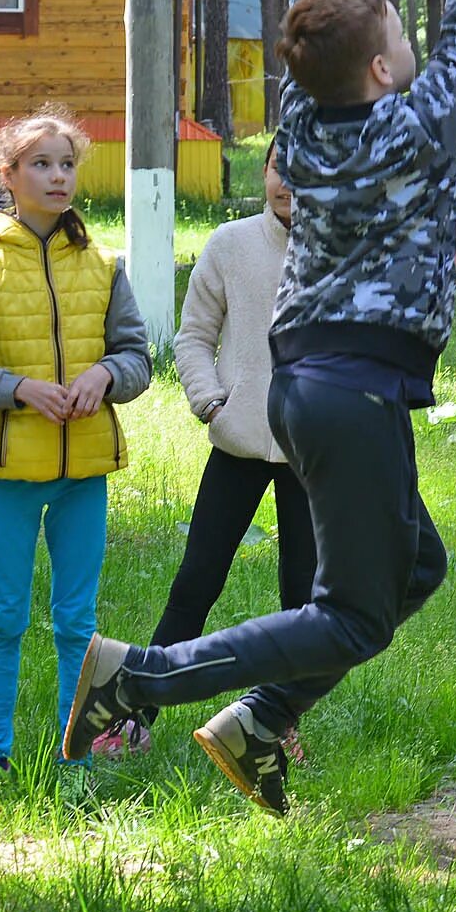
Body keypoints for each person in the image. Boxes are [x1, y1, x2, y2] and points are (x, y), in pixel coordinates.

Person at [60, 0, 456, 815]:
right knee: (354, 613)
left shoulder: (307, 119)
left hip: (314, 387)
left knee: (415, 568)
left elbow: (327, 1)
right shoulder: (422, 121)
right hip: (350, 390)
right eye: (399, 31)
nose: (408, 36)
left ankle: (259, 718)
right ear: (387, 72)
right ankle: (138, 675)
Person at [0, 111, 151, 797]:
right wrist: (19, 389)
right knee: (4, 619)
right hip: (11, 476)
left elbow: (138, 358)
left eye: (67, 164)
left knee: (78, 625)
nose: (58, 176)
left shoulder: (104, 264)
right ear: (8, 177)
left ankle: (75, 761)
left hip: (85, 473)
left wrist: (104, 377)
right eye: (41, 164)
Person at [95, 138, 316, 764]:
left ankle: (273, 722)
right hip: (239, 441)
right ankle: (133, 715)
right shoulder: (229, 245)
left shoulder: (342, 253)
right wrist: (210, 399)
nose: (288, 187)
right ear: (264, 170)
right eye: (279, 170)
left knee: (302, 600)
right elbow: (193, 337)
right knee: (196, 582)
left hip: (312, 452)